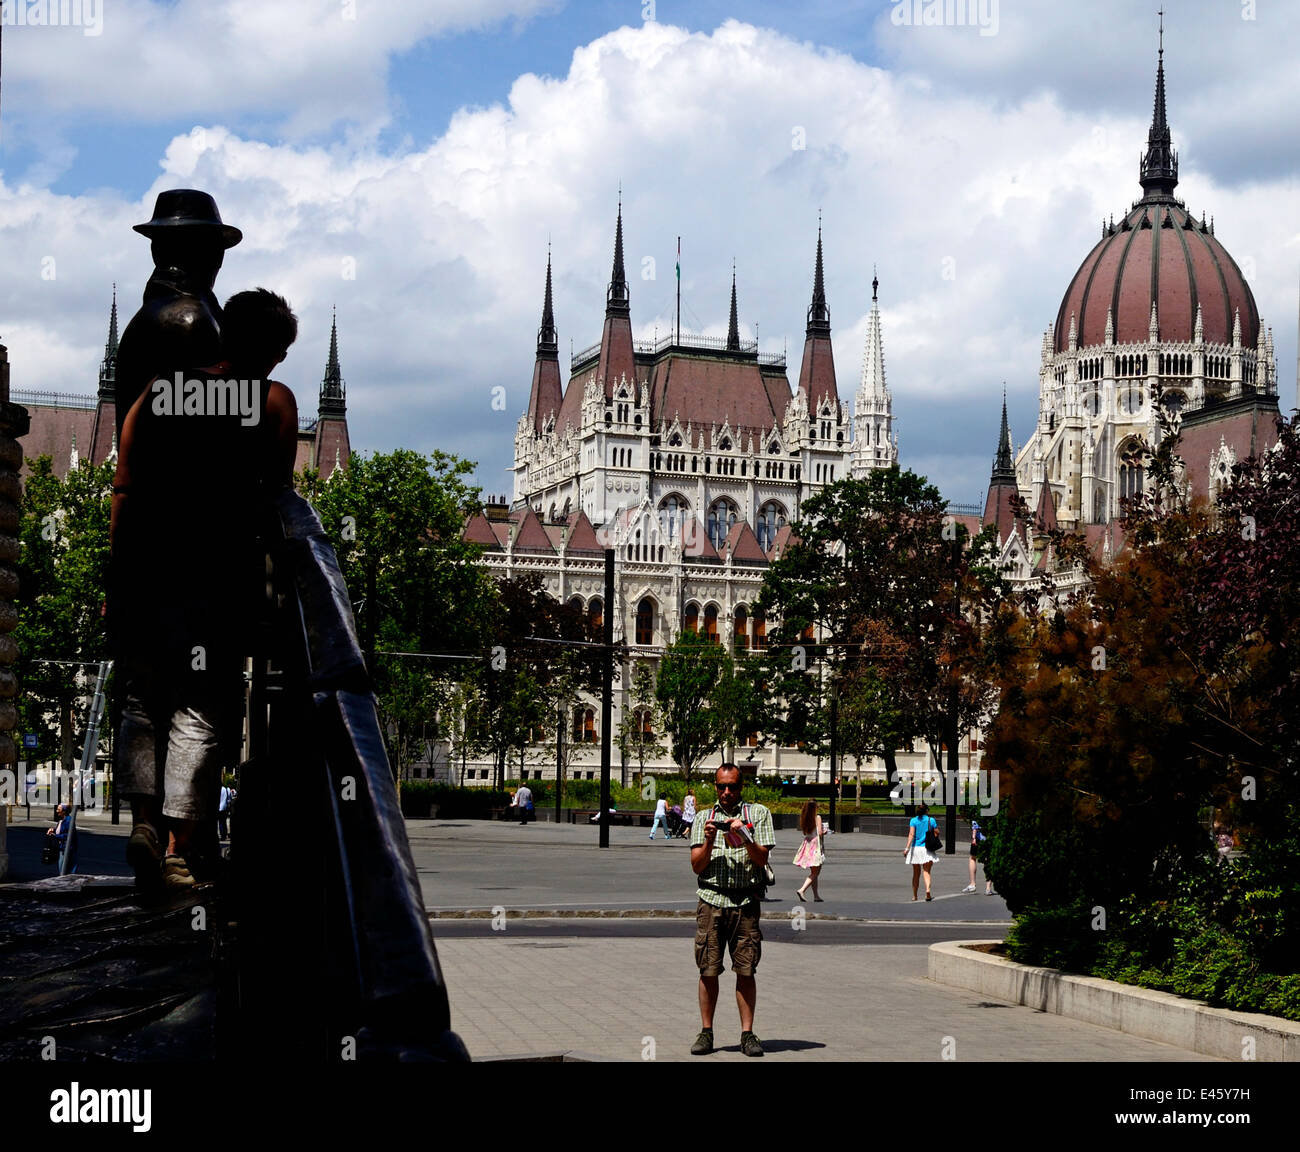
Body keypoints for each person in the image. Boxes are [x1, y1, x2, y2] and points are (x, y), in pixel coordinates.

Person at [112, 289, 299, 891]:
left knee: (142, 702)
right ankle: (177, 845)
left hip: (147, 575)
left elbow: (123, 487)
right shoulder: (270, 402)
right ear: (267, 350)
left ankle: (140, 823)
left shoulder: (159, 393)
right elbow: (277, 493)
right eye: (279, 349)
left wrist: (117, 577)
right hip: (217, 582)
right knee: (201, 709)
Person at [114, 189, 241, 444]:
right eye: (215, 245)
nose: (220, 258)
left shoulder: (165, 310)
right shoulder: (189, 320)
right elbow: (212, 423)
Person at [689, 763, 775, 1058]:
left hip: (745, 903)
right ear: (715, 787)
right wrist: (711, 839)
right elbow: (696, 865)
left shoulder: (758, 814)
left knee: (746, 969)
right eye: (721, 787)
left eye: (733, 787)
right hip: (711, 901)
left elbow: (762, 860)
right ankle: (706, 1032)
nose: (726, 792)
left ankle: (747, 1034)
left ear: (742, 787)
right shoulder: (704, 818)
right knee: (708, 968)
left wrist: (745, 834)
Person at [904, 803, 939, 901]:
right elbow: (937, 832)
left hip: (916, 848)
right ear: (927, 811)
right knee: (926, 871)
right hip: (927, 848)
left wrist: (907, 848)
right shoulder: (931, 820)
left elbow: (911, 834)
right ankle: (928, 891)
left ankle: (914, 895)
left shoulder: (913, 820)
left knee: (916, 873)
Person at [793, 799, 826, 901]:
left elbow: (804, 832)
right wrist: (825, 831)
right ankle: (802, 889)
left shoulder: (804, 818)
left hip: (807, 844)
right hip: (815, 845)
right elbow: (820, 832)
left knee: (813, 870)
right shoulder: (817, 817)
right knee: (816, 872)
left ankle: (816, 896)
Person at [963, 817, 992, 895]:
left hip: (979, 839)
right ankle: (988, 888)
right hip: (990, 839)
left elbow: (975, 826)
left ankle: (973, 884)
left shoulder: (978, 810)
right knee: (988, 860)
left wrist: (974, 838)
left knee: (972, 858)